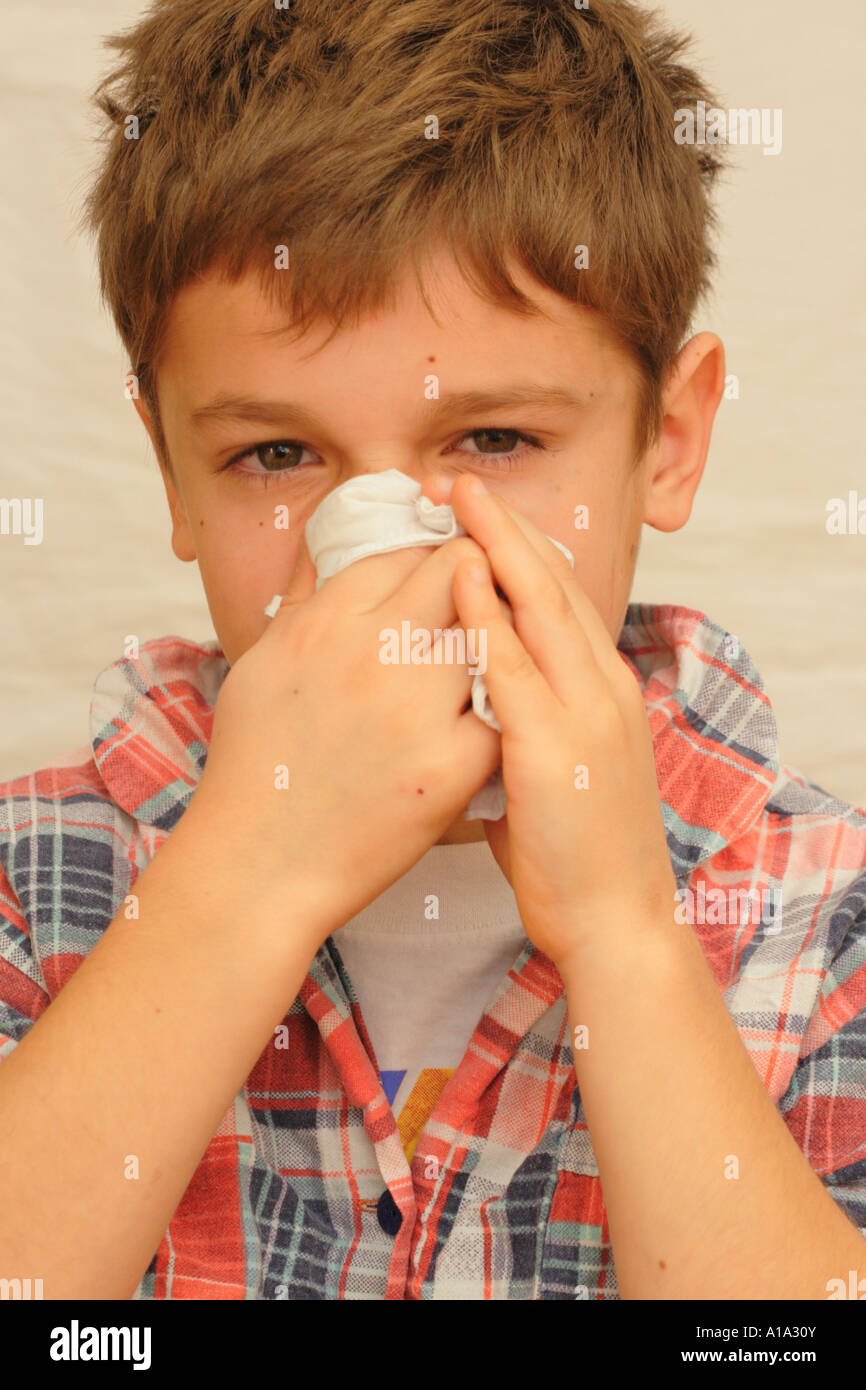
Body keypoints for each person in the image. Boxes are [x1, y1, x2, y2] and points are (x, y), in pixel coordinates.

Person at [0, 0, 863, 1301]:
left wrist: (627, 938)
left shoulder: (819, 920)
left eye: (496, 441)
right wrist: (241, 880)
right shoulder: (41, 887)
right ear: (169, 469)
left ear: (667, 439)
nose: (386, 552)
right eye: (275, 456)